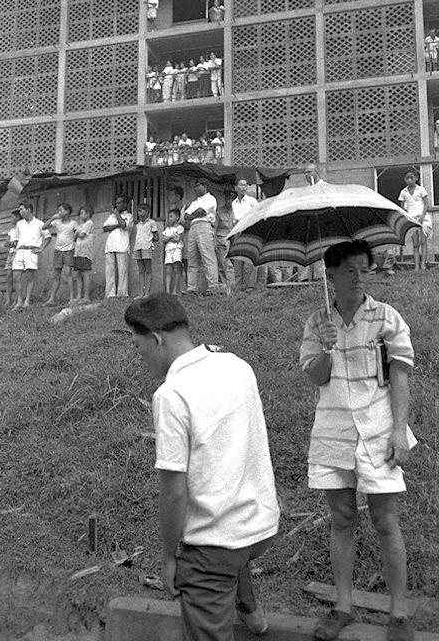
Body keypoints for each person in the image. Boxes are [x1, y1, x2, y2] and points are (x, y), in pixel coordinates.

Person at [124, 294, 280, 641]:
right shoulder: (237, 366)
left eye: (138, 347)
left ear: (157, 339)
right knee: (228, 542)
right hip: (262, 526)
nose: (140, 357)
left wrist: (169, 559)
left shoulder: (172, 395)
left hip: (217, 546)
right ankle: (249, 607)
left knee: (201, 570)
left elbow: (173, 492)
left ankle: (231, 604)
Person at [300, 240, 416, 641]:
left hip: (379, 429)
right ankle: (343, 606)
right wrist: (327, 348)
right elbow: (314, 376)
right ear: (329, 276)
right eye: (349, 270)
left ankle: (399, 613)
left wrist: (399, 432)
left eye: (364, 268)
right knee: (342, 519)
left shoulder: (386, 318)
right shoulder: (317, 323)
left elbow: (400, 376)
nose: (359, 276)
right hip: (333, 435)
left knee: (386, 520)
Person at [11, 202, 51, 311]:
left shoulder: (39, 223)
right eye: (20, 210)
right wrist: (14, 243)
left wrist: (41, 249)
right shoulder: (19, 224)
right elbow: (15, 238)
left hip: (31, 251)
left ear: (29, 209)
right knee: (16, 277)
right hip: (20, 251)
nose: (20, 212)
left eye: (22, 209)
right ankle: (19, 300)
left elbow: (48, 237)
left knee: (30, 277)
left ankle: (27, 301)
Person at [184, 178, 219, 295]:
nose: (196, 188)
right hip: (193, 227)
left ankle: (213, 286)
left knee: (208, 256)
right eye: (195, 186)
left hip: (205, 226)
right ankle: (191, 288)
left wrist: (193, 215)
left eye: (198, 185)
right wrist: (194, 214)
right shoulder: (195, 202)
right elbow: (185, 216)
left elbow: (201, 212)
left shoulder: (211, 198)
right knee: (192, 258)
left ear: (205, 186)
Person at [43, 203, 78, 306]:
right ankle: (52, 299)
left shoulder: (73, 223)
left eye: (60, 210)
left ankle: (71, 298)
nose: (58, 212)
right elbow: (44, 227)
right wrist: (52, 218)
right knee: (56, 275)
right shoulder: (56, 222)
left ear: (67, 212)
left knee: (68, 273)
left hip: (69, 250)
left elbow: (77, 234)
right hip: (58, 250)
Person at [398, 169, 432, 271]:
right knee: (415, 243)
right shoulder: (403, 192)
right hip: (411, 219)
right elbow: (402, 208)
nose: (409, 180)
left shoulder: (421, 189)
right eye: (407, 178)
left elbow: (426, 204)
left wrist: (422, 216)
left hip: (423, 218)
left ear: (416, 178)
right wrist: (407, 217)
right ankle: (416, 266)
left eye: (411, 177)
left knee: (423, 241)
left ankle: (423, 265)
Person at [297, 163, 326, 283]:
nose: (306, 175)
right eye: (305, 172)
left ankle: (320, 277)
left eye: (309, 172)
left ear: (316, 173)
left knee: (319, 250)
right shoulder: (305, 190)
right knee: (304, 249)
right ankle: (304, 278)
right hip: (307, 224)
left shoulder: (325, 188)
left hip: (321, 224)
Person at [103, 195, 134, 298]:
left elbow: (124, 225)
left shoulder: (129, 216)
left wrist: (116, 213)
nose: (117, 205)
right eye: (116, 203)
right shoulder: (111, 216)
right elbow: (105, 228)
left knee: (122, 271)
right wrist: (117, 225)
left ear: (125, 204)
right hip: (110, 246)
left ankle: (122, 294)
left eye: (119, 203)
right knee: (110, 272)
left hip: (122, 246)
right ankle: (110, 294)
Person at [231, 179, 257, 292]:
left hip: (249, 230)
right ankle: (238, 285)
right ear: (236, 187)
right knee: (238, 258)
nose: (243, 187)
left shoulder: (252, 201)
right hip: (237, 231)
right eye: (241, 185)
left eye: (245, 185)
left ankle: (250, 285)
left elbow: (257, 215)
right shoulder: (234, 203)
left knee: (249, 258)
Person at [133, 202, 159, 298]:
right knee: (140, 270)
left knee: (148, 270)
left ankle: (147, 293)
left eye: (141, 210)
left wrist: (151, 239)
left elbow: (156, 237)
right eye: (138, 211)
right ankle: (141, 293)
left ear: (147, 212)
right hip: (137, 247)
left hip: (147, 247)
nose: (138, 213)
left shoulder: (152, 223)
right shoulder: (137, 225)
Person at [73, 205, 94, 304]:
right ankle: (78, 296)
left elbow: (81, 235)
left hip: (85, 252)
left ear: (88, 214)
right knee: (78, 274)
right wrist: (77, 231)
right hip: (78, 252)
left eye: (82, 213)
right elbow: (74, 237)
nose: (80, 216)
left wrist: (77, 231)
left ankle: (86, 297)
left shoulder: (89, 223)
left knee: (85, 273)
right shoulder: (81, 225)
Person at [215, 190, 235, 293]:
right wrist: (214, 241)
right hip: (222, 239)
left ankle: (235, 287)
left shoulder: (237, 211)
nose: (230, 201)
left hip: (234, 239)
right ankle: (225, 288)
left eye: (232, 199)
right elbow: (215, 228)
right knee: (223, 264)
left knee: (235, 264)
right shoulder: (219, 212)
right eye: (228, 199)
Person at [163, 208, 184, 296]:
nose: (169, 219)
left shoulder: (180, 228)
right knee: (168, 270)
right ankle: (168, 291)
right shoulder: (167, 229)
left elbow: (177, 239)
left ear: (177, 217)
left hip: (176, 249)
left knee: (176, 269)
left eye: (171, 216)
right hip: (168, 250)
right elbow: (163, 240)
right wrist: (171, 236)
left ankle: (175, 290)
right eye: (169, 217)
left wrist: (169, 238)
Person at [4, 210, 21, 308]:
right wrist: (12, 243)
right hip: (11, 254)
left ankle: (16, 300)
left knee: (16, 278)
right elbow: (6, 243)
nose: (11, 219)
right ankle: (8, 300)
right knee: (8, 277)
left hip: (18, 253)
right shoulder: (11, 230)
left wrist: (14, 243)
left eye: (12, 217)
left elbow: (18, 242)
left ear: (18, 218)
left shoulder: (21, 229)